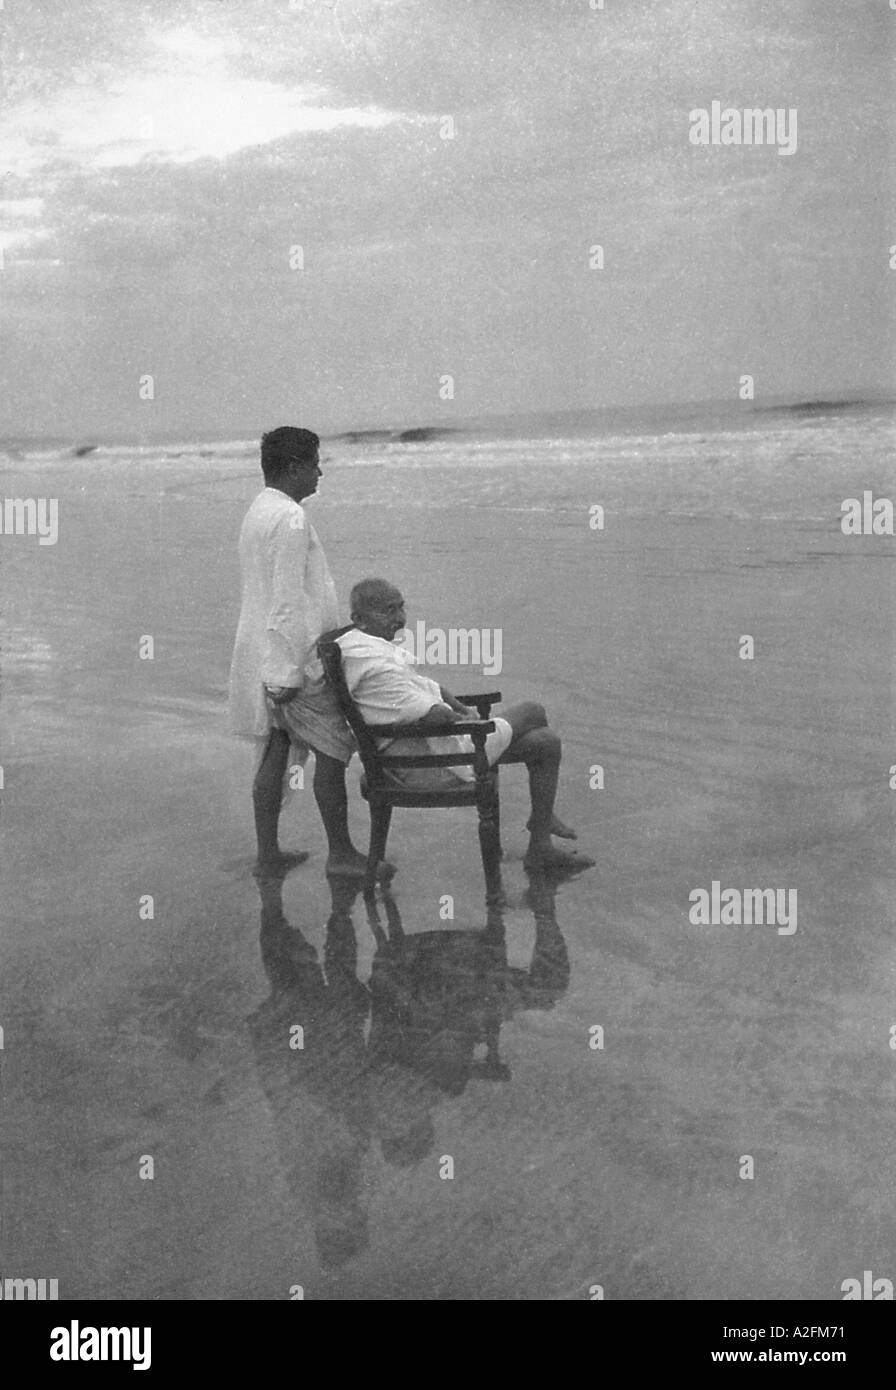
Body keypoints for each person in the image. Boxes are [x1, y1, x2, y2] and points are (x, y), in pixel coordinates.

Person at [336, 578, 595, 873]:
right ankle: (541, 823)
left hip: (416, 752)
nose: (400, 619)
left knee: (546, 742)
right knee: (533, 712)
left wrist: (458, 707)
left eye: (401, 608)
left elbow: (425, 688)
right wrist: (465, 721)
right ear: (359, 619)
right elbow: (433, 716)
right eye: (388, 611)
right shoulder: (376, 666)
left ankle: (541, 845)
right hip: (428, 767)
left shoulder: (360, 648)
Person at [228, 426, 371, 878]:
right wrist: (288, 673)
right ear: (293, 467)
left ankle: (268, 853)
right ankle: (342, 854)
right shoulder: (289, 518)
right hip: (293, 655)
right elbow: (289, 599)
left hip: (261, 648)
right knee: (332, 750)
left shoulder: (258, 511)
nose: (320, 472)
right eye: (315, 463)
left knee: (275, 748)